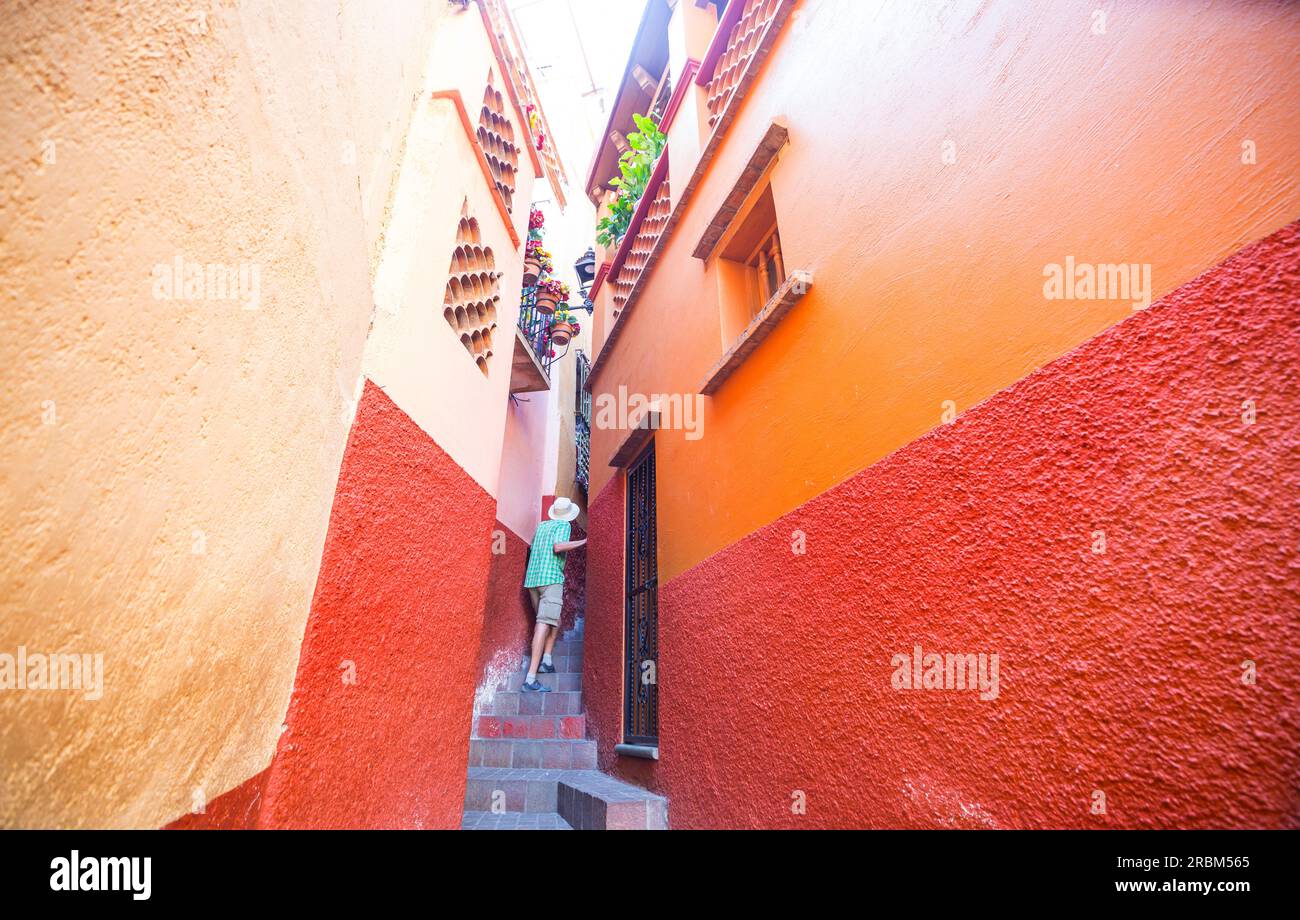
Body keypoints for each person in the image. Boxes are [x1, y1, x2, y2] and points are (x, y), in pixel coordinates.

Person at [521, 497, 586, 692]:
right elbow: (558, 547)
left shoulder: (542, 526)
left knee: (551, 619)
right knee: (543, 623)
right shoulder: (564, 526)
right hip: (551, 579)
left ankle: (547, 660)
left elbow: (532, 548)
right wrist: (584, 541)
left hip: (532, 580)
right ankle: (530, 679)